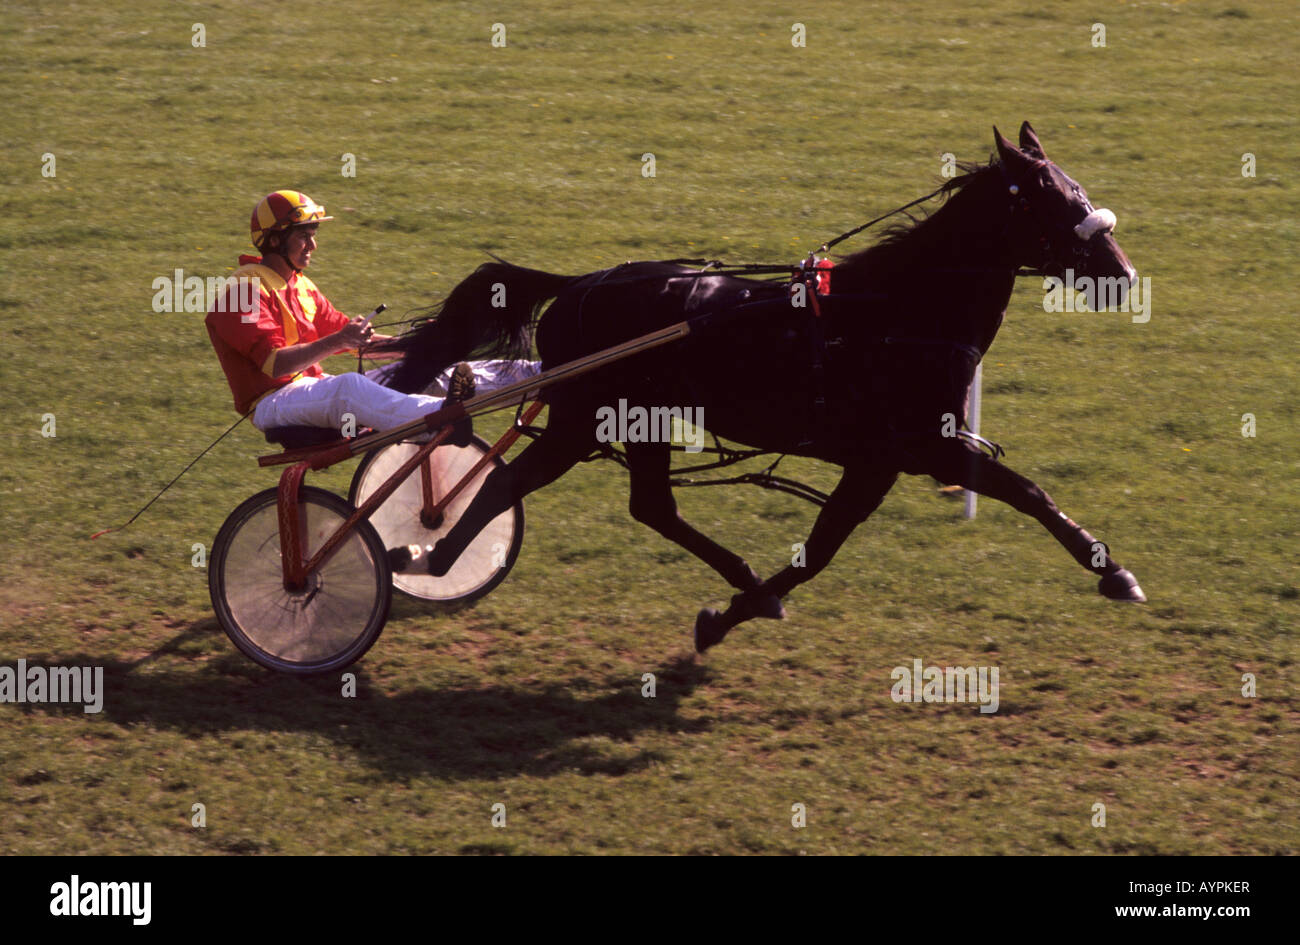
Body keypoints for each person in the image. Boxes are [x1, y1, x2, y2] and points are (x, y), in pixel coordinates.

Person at [205, 189, 538, 438]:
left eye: (314, 236)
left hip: (316, 391)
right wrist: (337, 340)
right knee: (349, 386)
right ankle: (443, 415)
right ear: (276, 240)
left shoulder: (302, 286)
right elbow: (277, 364)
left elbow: (355, 341)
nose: (313, 245)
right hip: (274, 405)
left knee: (426, 369)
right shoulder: (244, 290)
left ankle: (536, 374)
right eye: (303, 236)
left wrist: (420, 346)